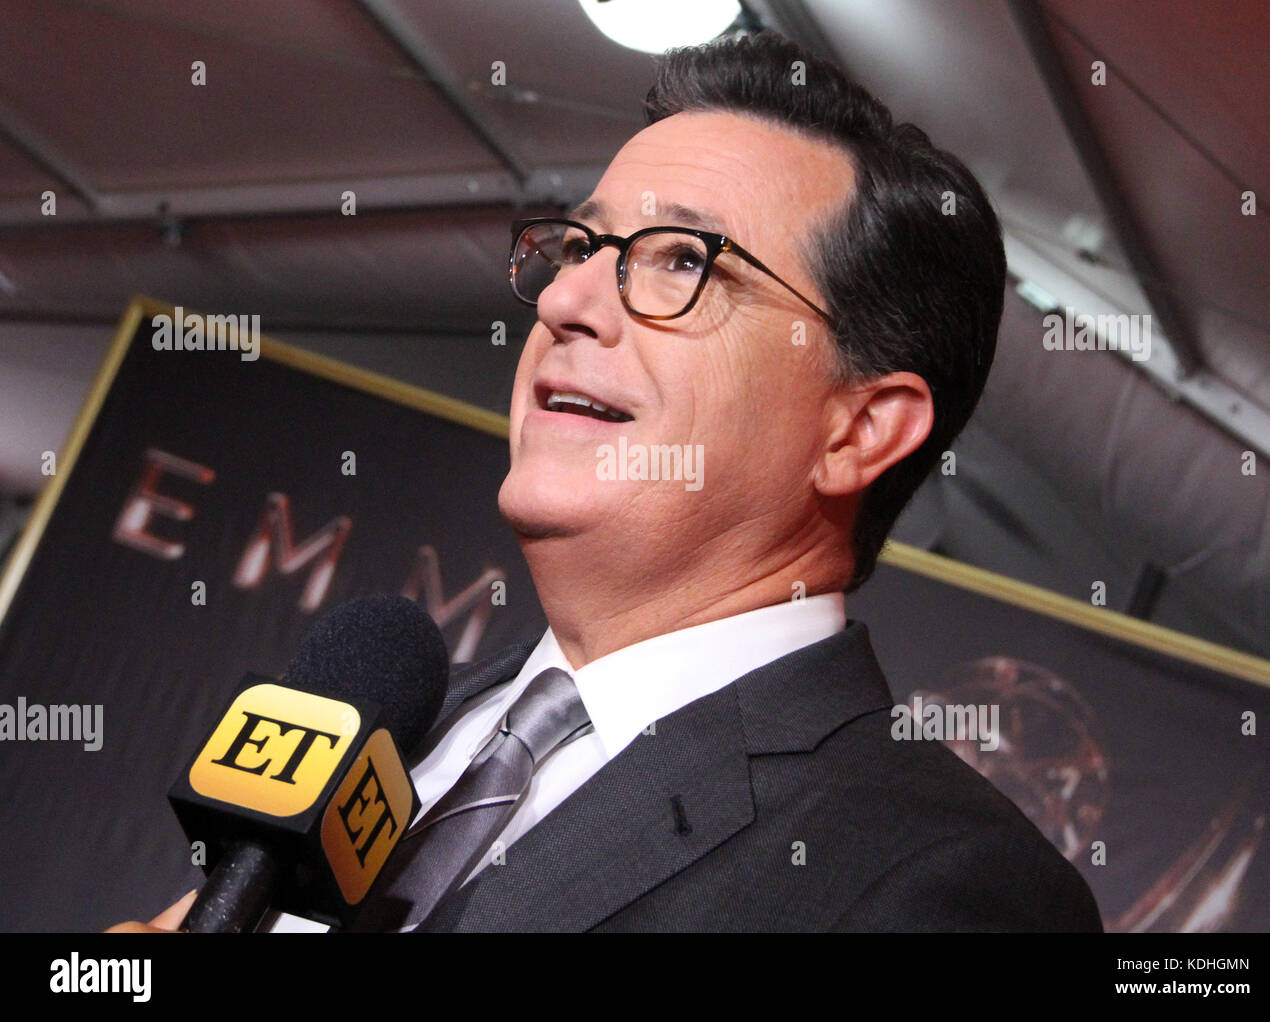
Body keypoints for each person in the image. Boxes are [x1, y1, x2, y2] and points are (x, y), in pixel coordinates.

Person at [119, 30, 1101, 933]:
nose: (563, 298)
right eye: (580, 246)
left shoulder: (947, 880)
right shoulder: (392, 734)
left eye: (682, 259)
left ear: (859, 430)